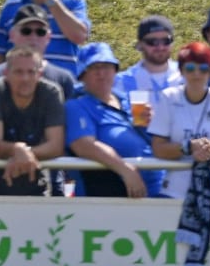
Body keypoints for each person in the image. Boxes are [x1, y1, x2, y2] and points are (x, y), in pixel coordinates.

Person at [148, 38, 210, 196]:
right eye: (190, 68)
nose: (196, 74)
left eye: (204, 68)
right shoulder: (169, 97)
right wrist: (189, 147)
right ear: (181, 70)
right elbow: (158, 149)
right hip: (175, 191)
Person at [66, 43, 159, 198]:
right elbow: (83, 145)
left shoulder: (128, 101)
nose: (101, 73)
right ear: (82, 74)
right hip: (113, 197)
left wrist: (153, 124)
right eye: (94, 68)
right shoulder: (76, 106)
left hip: (157, 192)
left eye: (107, 67)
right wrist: (125, 170)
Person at [0, 48, 66, 196]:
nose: (25, 78)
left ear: (39, 74)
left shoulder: (52, 92)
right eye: (18, 72)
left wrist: (24, 152)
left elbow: (56, 146)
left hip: (37, 185)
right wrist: (17, 149)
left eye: (31, 72)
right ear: (6, 73)